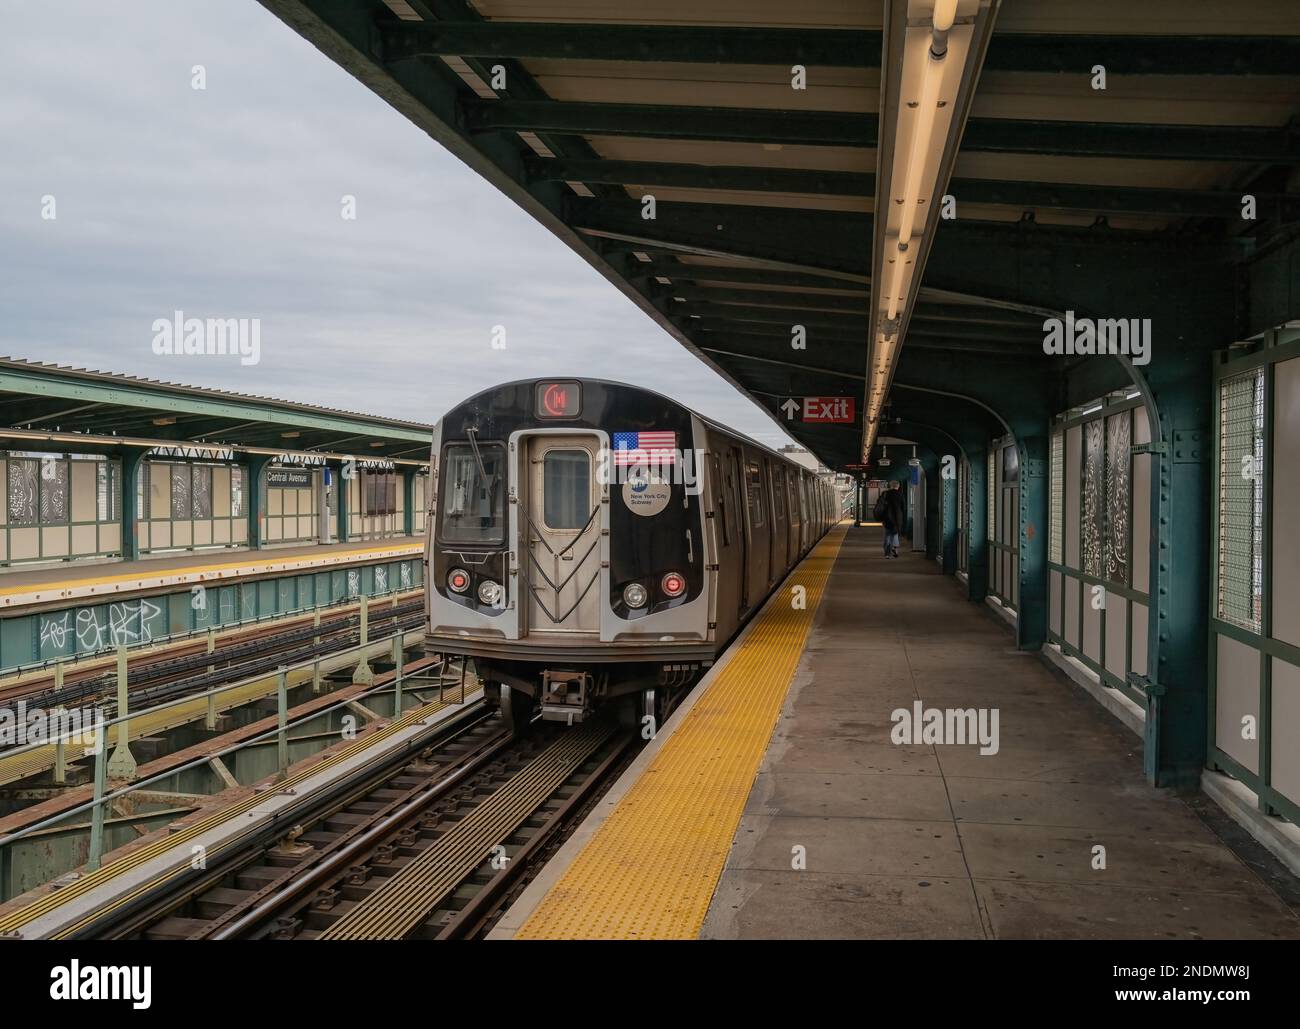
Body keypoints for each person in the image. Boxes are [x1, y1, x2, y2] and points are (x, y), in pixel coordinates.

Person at [881, 480, 904, 559]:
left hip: (887, 517)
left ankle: (887, 553)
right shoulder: (900, 494)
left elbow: (882, 506)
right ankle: (894, 547)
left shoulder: (886, 494)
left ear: (890, 486)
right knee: (895, 533)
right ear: (898, 486)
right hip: (897, 518)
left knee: (888, 535)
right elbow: (903, 507)